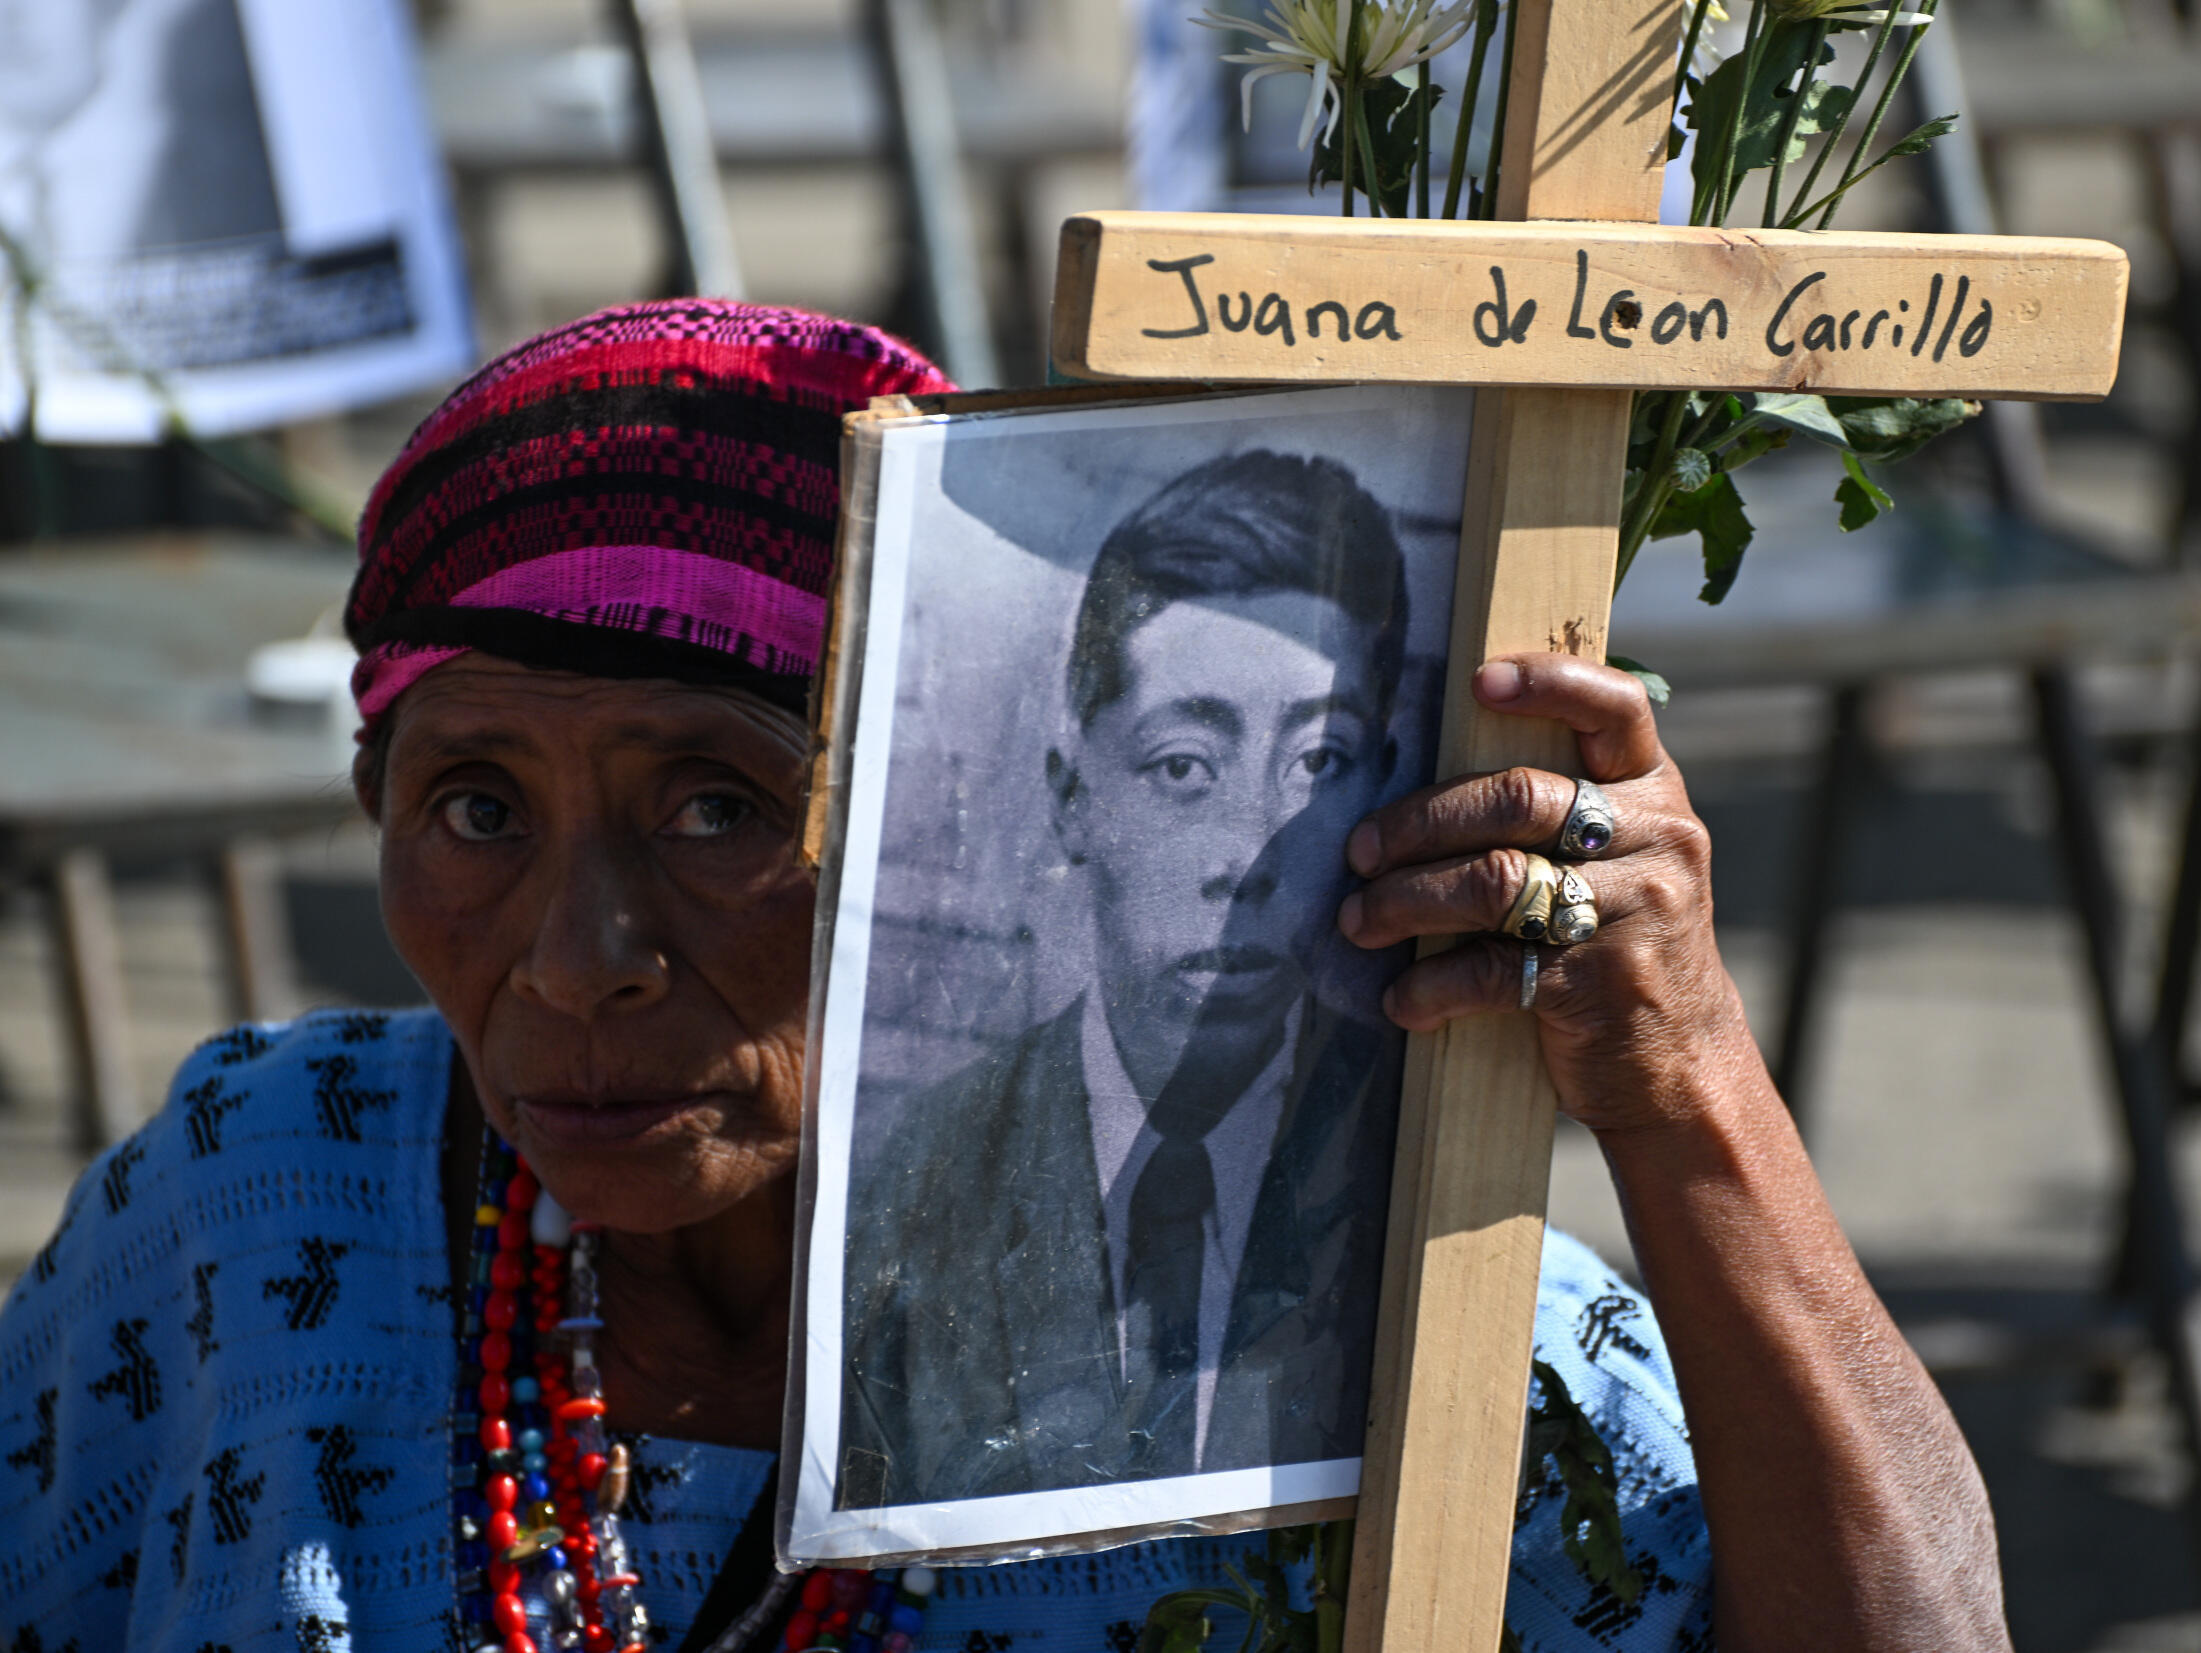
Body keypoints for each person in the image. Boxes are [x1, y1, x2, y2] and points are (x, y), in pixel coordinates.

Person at [0, 298, 2012, 1653]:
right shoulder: (260, 1197)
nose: (581, 955)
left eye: (714, 807)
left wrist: (1683, 1080)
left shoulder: (1317, 1289)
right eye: (470, 808)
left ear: (905, 818)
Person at [845, 452, 1412, 1501]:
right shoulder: (924, 1174)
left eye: (1315, 765)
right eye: (1183, 767)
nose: (1246, 856)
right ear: (1073, 795)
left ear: (1378, 781)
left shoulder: (1423, 1141)